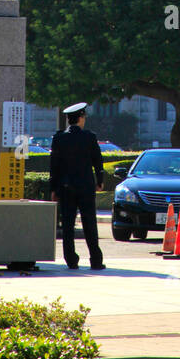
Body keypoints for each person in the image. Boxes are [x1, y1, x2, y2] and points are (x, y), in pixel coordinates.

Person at [49, 102, 105, 270]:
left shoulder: (59, 138)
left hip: (66, 187)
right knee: (89, 223)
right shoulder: (89, 137)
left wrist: (53, 188)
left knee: (67, 225)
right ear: (81, 118)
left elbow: (54, 165)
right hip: (86, 187)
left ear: (68, 120)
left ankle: (71, 260)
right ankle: (95, 259)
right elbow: (98, 161)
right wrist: (100, 180)